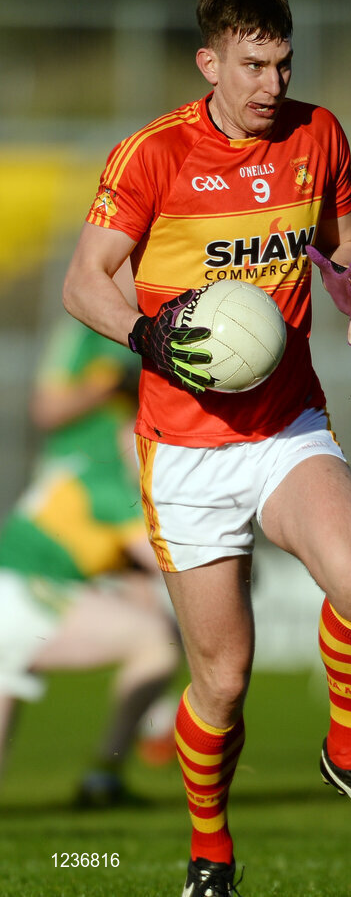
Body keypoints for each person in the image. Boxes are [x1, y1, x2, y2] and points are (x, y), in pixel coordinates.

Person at [62, 0, 351, 897]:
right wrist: (143, 334)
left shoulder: (320, 133)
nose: (272, 84)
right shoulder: (152, 156)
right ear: (210, 62)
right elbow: (84, 281)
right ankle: (210, 856)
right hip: (183, 451)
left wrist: (348, 276)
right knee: (223, 683)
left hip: (285, 424)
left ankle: (349, 754)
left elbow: (341, 241)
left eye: (284, 63)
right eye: (253, 65)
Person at [0, 314, 182, 807]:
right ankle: (105, 775)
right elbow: (169, 558)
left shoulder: (93, 468)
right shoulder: (109, 481)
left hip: (25, 585)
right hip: (25, 590)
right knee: (157, 640)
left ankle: (134, 747)